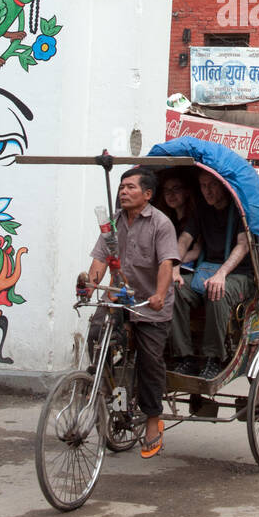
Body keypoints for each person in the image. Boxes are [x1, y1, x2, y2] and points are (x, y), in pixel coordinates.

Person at [86, 167, 178, 458]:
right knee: (96, 337)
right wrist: (88, 288)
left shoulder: (161, 224)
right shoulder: (112, 224)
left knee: (150, 361)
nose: (123, 192)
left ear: (147, 194)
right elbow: (101, 260)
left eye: (130, 187)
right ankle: (116, 400)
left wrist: (160, 295)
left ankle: (152, 420)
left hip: (150, 303)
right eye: (121, 187)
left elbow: (166, 264)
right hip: (120, 297)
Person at [170, 168, 254, 380]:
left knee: (216, 291)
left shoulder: (238, 210)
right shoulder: (202, 210)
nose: (207, 191)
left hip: (237, 274)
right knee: (174, 289)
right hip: (205, 270)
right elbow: (184, 240)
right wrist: (175, 268)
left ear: (223, 186)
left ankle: (213, 357)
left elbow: (243, 245)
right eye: (203, 186)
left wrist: (222, 273)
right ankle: (184, 356)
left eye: (212, 185)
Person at [158, 174, 199, 287]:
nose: (171, 194)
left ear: (186, 192)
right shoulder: (166, 220)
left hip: (188, 270)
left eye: (176, 189)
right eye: (166, 190)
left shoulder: (195, 218)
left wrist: (168, 263)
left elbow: (196, 252)